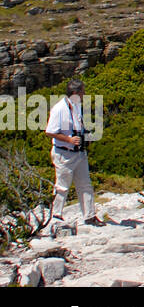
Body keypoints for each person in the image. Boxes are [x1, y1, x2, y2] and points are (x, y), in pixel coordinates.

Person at [45, 79, 101, 227]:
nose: (84, 94)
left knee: (85, 185)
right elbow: (50, 132)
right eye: (82, 91)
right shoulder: (59, 109)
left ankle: (89, 216)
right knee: (62, 186)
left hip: (79, 153)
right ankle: (56, 216)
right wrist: (69, 140)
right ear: (75, 93)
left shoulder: (75, 105)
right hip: (65, 153)